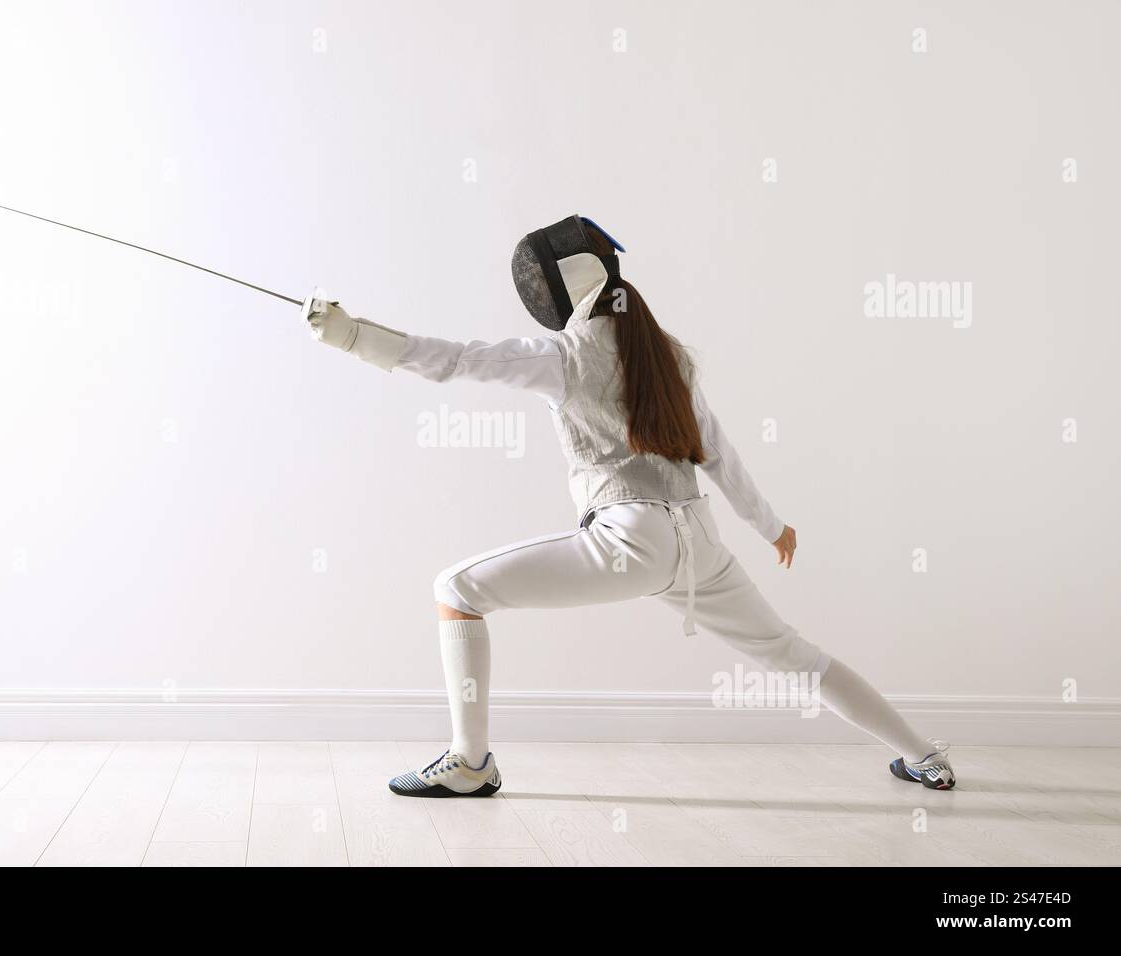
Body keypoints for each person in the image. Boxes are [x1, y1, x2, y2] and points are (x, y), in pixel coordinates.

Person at [304, 215, 955, 796]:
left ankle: (471, 762)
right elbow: (718, 454)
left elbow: (453, 360)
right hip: (700, 541)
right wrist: (770, 526)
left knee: (458, 589)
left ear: (556, 286)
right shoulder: (666, 354)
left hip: (631, 540)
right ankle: (925, 757)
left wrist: (350, 334)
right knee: (791, 652)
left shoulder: (562, 357)